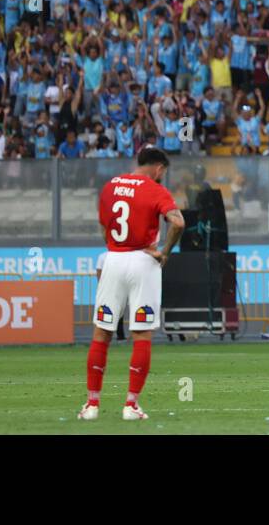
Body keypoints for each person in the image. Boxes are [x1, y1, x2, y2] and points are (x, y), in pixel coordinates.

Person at [78, 146, 186, 422]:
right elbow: (178, 222)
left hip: (113, 259)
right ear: (159, 168)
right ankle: (131, 405)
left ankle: (91, 405)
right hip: (143, 262)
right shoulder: (155, 189)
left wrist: (116, 247)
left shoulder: (110, 186)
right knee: (141, 334)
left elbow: (103, 225)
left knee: (102, 332)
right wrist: (164, 251)